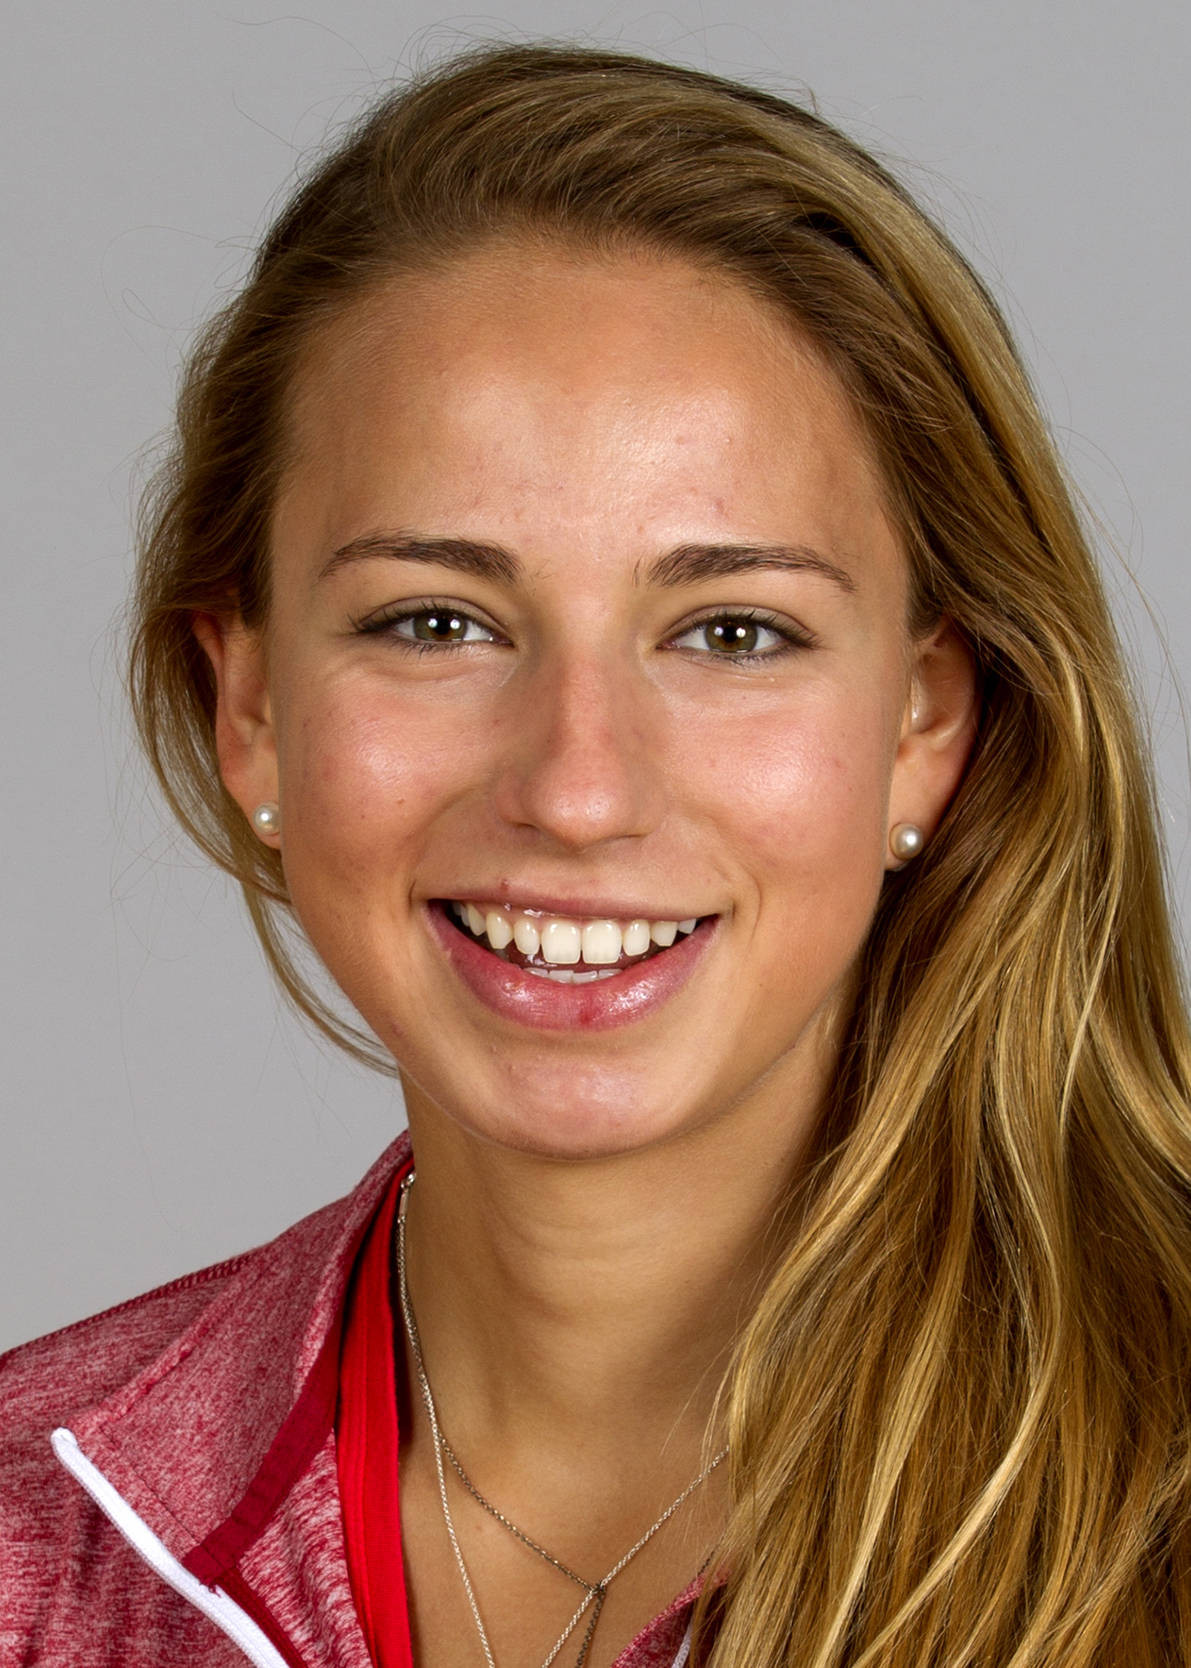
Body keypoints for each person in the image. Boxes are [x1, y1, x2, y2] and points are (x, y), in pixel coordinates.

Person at [2, 39, 1189, 1668]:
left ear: (925, 724)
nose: (576, 788)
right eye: (437, 621)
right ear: (254, 705)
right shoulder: (28, 1540)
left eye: (730, 630)